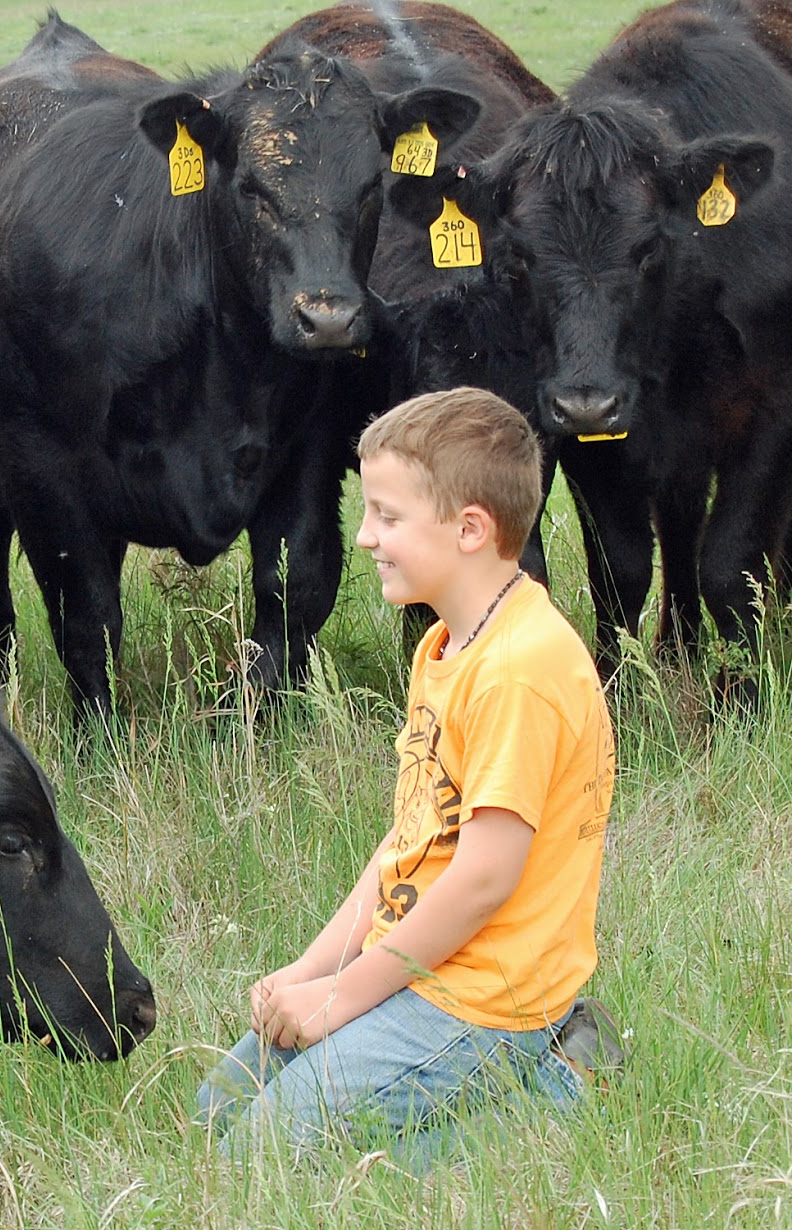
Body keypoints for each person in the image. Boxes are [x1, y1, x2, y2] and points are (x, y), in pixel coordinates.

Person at [195, 386, 618, 1165]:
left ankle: (560, 1092)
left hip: (485, 1000)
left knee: (262, 1158)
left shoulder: (520, 670)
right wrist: (311, 971)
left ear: (470, 529)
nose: (364, 537)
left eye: (387, 517)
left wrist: (340, 1000)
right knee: (216, 1112)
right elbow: (410, 841)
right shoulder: (445, 646)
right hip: (416, 968)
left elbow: (485, 878)